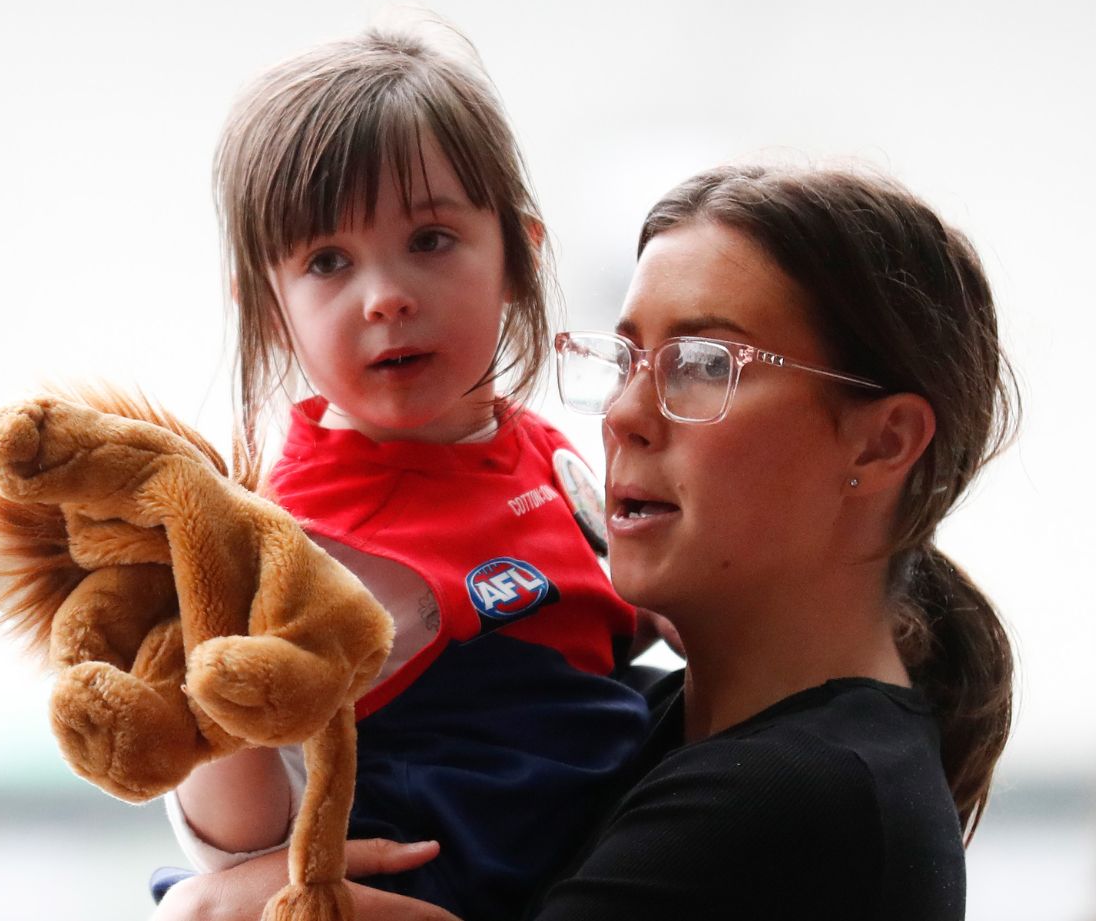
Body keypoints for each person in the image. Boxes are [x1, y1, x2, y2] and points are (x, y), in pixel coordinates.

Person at [326, 161, 1018, 921]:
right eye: (626, 359)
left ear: (883, 442)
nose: (623, 413)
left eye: (699, 365)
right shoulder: (630, 720)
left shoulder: (797, 795)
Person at [151, 17, 650, 921]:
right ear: (270, 312)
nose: (385, 295)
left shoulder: (552, 454)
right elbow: (241, 839)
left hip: (603, 853)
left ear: (518, 257)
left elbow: (629, 627)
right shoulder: (278, 528)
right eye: (328, 261)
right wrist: (213, 666)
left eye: (430, 240)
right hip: (418, 883)